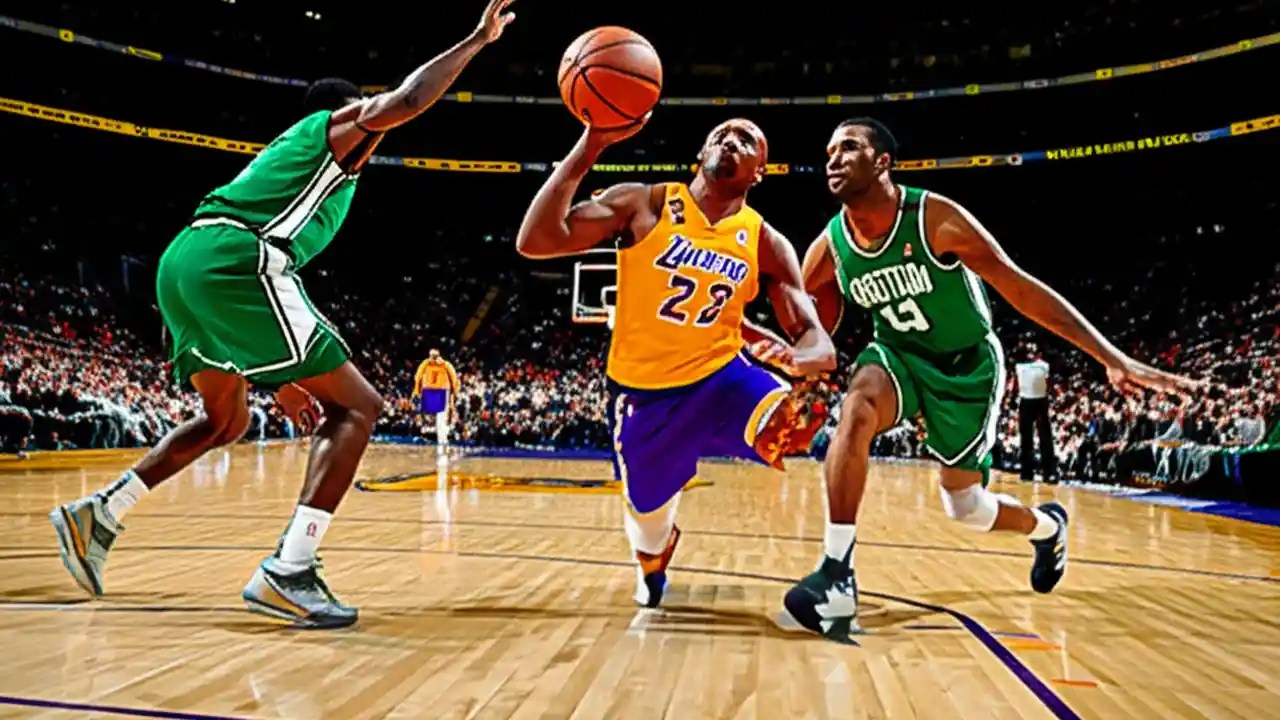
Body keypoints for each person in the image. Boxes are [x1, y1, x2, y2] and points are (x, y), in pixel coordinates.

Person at [48, 0, 519, 630]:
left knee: (226, 420)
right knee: (358, 407)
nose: (374, 134)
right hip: (234, 257)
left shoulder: (303, 169)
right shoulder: (331, 130)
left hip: (188, 262)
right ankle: (289, 570)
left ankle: (100, 512)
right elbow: (406, 100)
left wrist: (283, 377)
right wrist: (476, 42)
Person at [779, 117, 1202, 642]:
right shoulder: (832, 246)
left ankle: (1047, 528)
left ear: (882, 161)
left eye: (849, 147)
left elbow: (1020, 288)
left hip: (966, 367)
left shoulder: (936, 219)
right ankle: (836, 575)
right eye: (829, 151)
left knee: (965, 507)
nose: (834, 158)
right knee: (858, 404)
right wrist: (802, 354)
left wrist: (1109, 355)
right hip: (896, 356)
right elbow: (799, 307)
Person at [517, 116, 837, 608]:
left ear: (759, 172)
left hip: (721, 380)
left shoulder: (766, 243)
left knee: (797, 418)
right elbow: (536, 240)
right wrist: (591, 143)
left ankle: (836, 569)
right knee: (648, 520)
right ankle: (655, 555)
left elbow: (817, 341)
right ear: (700, 155)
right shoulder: (644, 203)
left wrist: (800, 357)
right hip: (643, 395)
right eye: (718, 133)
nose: (728, 139)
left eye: (746, 138)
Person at [1014, 344, 1056, 482]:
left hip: (1040, 401)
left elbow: (1049, 383)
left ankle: (1049, 472)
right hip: (1025, 401)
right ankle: (1026, 472)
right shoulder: (1019, 366)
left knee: (1045, 438)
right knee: (1026, 439)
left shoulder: (1044, 365)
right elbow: (1015, 385)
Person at [412, 348, 460, 456]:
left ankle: (442, 442)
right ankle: (441, 441)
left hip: (439, 390)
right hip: (436, 390)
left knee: (440, 419)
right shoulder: (433, 364)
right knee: (438, 419)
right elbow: (418, 377)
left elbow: (418, 377)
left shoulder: (442, 365)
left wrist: (416, 390)